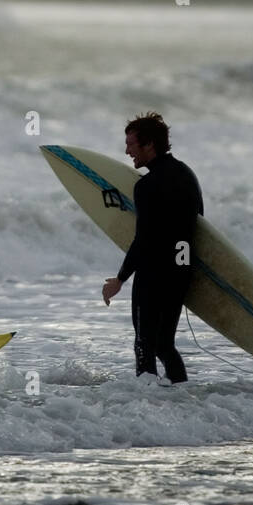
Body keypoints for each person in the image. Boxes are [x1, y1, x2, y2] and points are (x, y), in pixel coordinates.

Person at [102, 113, 202, 384]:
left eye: (131, 144)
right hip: (181, 270)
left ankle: (148, 406)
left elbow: (144, 239)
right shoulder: (187, 175)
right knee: (164, 344)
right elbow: (198, 226)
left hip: (154, 272)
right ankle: (182, 397)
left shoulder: (147, 186)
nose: (127, 151)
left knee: (145, 345)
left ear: (149, 145)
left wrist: (120, 278)